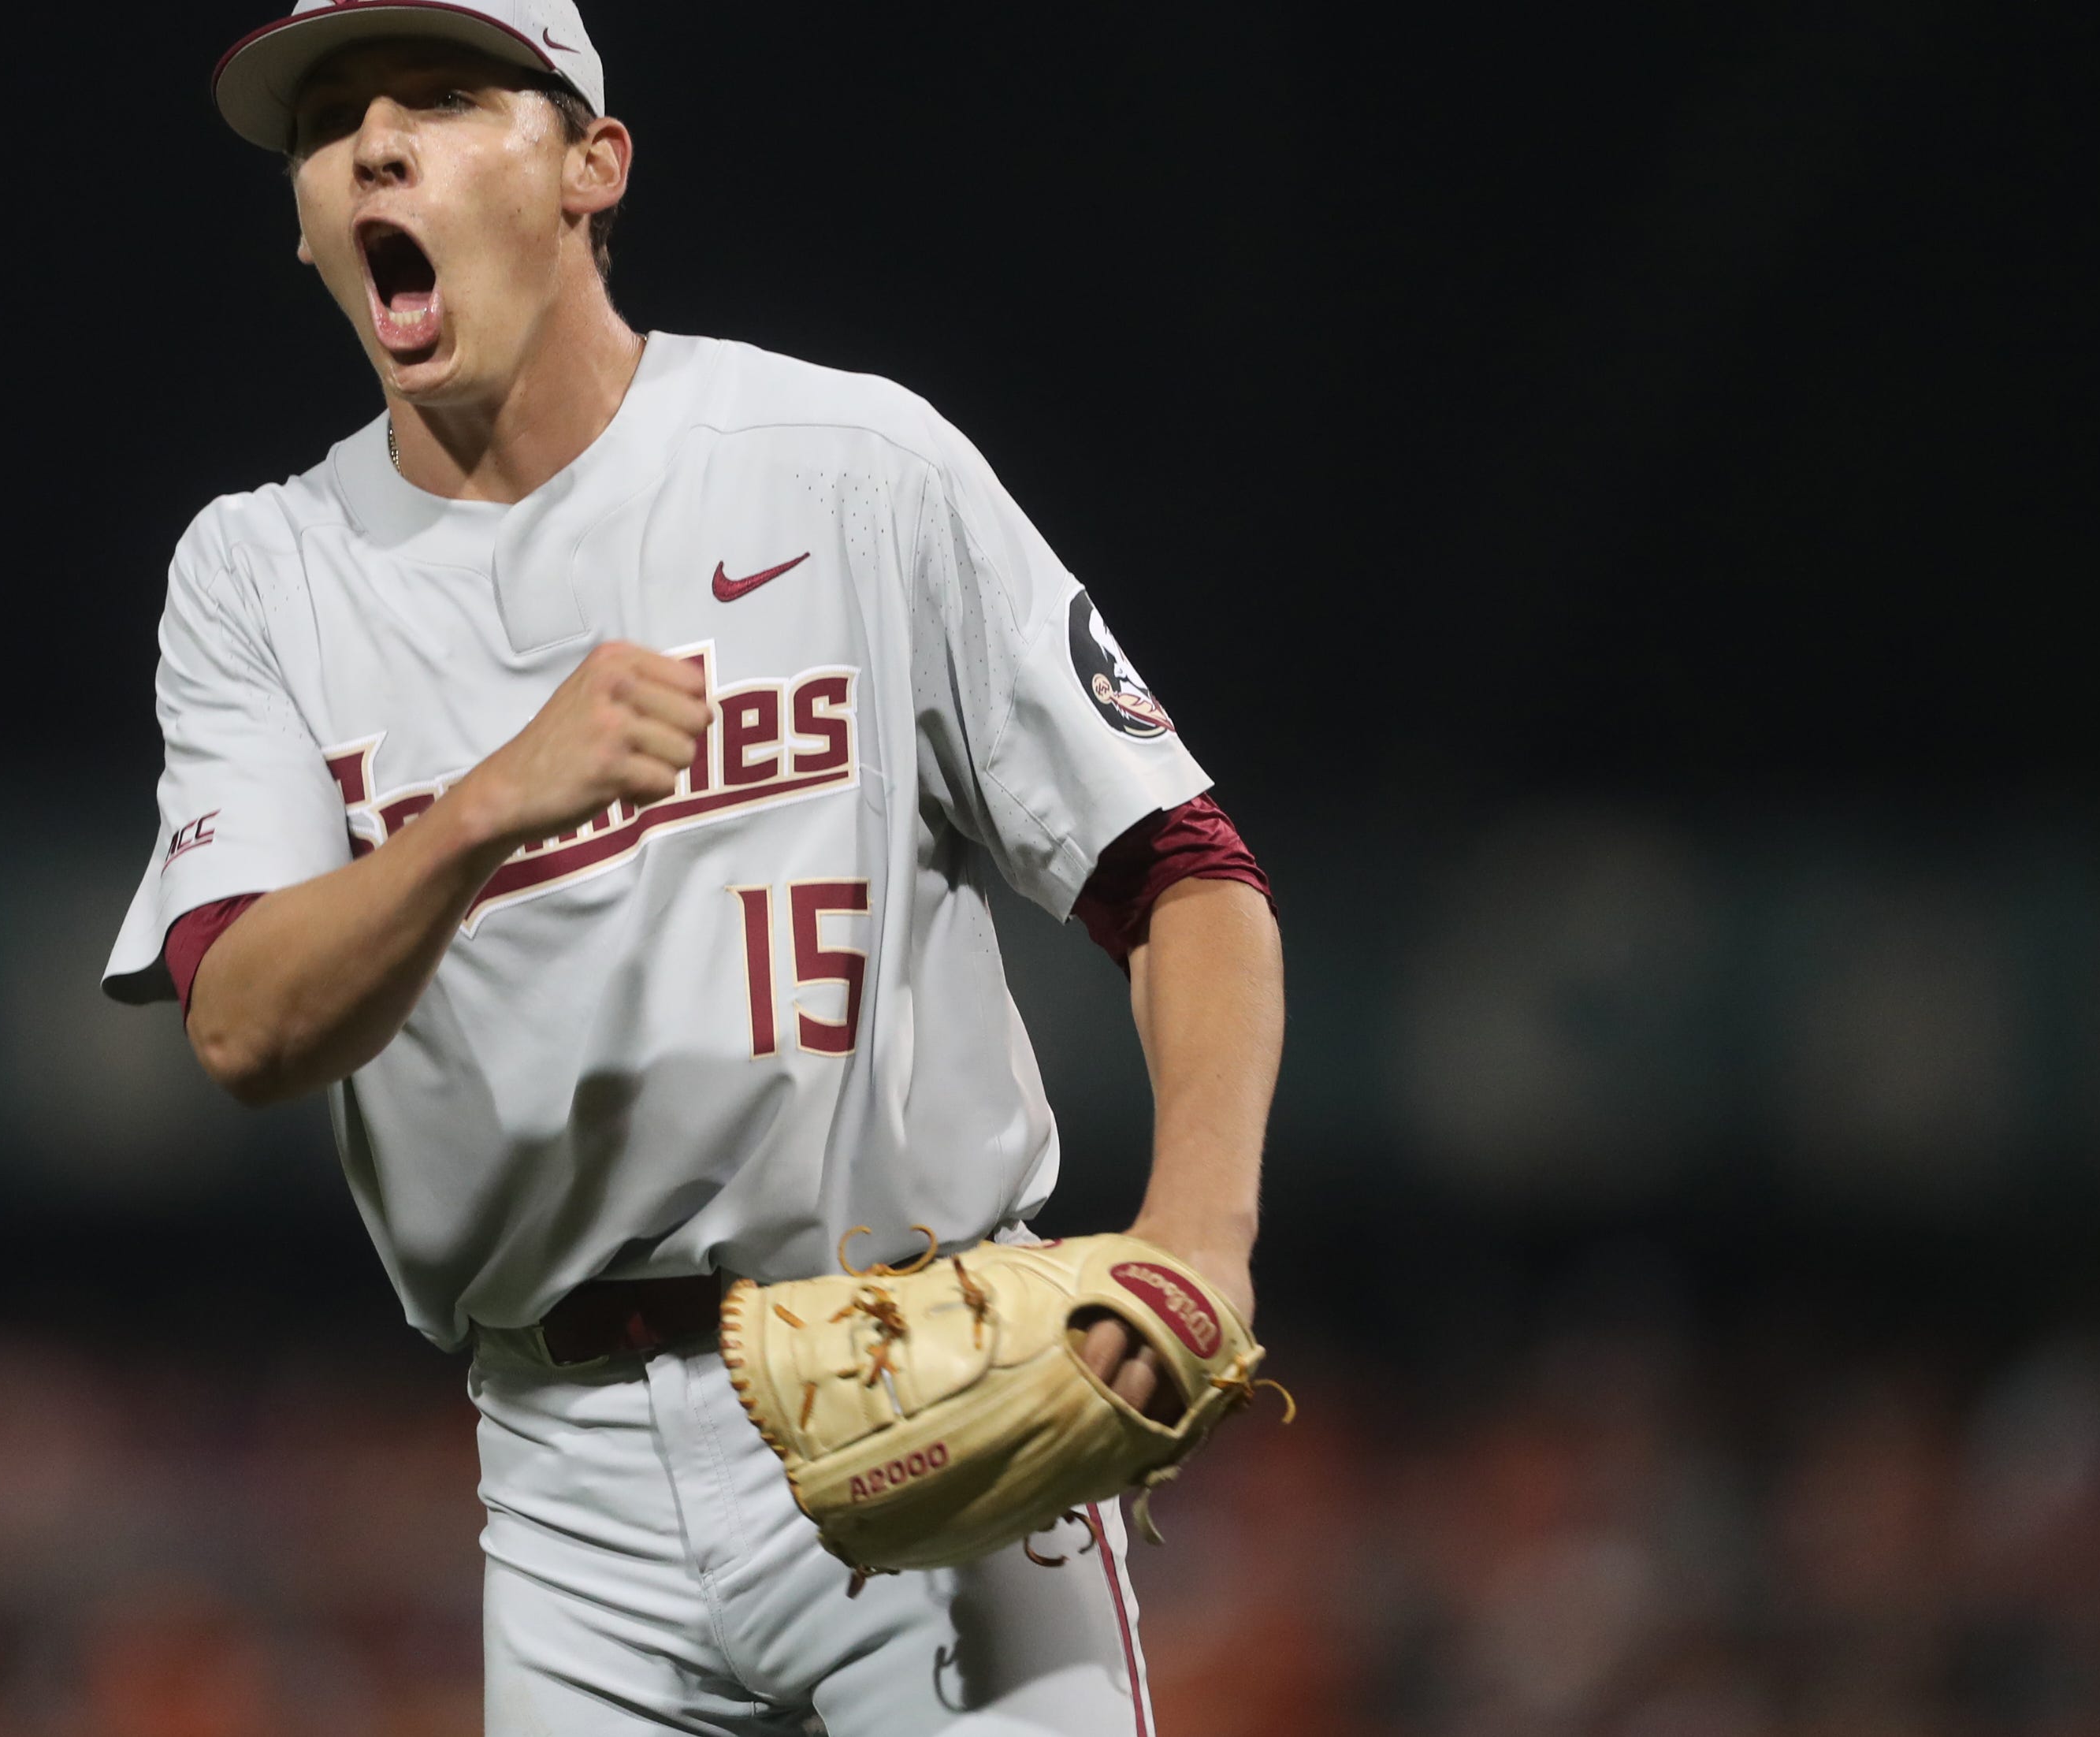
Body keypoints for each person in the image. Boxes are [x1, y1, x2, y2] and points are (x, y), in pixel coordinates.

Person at [99, 3, 1287, 1729]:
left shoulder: (846, 466)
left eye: (441, 93)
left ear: (594, 164)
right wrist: (494, 799)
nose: (373, 144)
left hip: (920, 1375)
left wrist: (1200, 1235)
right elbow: (246, 1026)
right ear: (303, 224)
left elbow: (1183, 869)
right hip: (560, 1471)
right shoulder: (262, 572)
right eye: (328, 121)